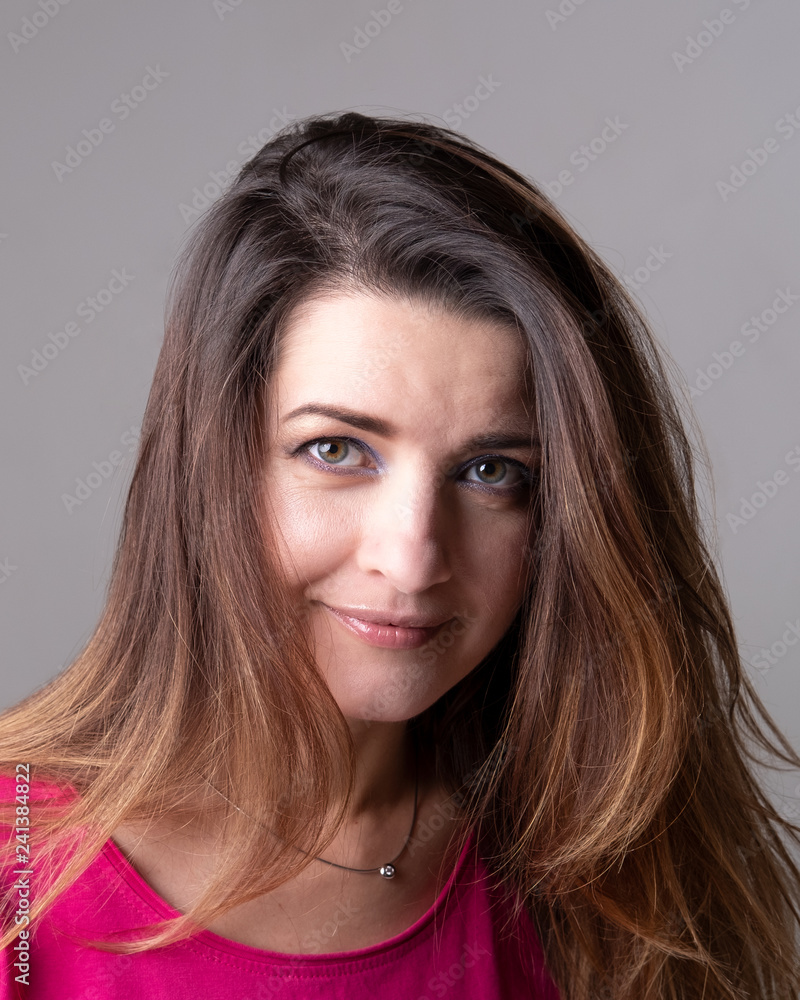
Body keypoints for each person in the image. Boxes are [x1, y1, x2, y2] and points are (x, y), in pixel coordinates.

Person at [1, 111, 799, 1000]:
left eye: (492, 472)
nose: (414, 560)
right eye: (337, 450)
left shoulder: (602, 881)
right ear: (209, 472)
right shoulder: (16, 885)